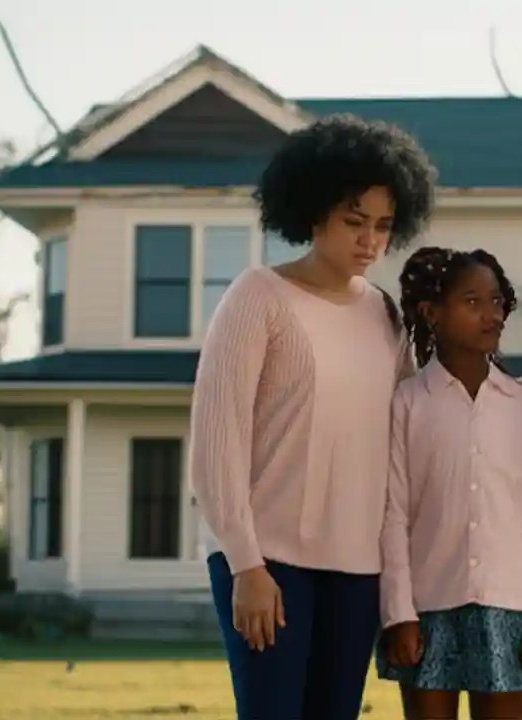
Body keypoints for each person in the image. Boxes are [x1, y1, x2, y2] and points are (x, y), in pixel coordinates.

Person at [189, 114, 436, 720]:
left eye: (382, 225)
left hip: (359, 570)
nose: (370, 241)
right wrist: (246, 563)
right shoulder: (257, 297)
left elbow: (411, 430)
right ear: (312, 212)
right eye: (354, 222)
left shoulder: (384, 314)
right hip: (268, 564)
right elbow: (216, 445)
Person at [377, 247, 522, 720]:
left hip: (509, 608)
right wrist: (398, 613)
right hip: (426, 607)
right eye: (473, 301)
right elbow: (392, 514)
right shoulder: (406, 404)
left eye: (498, 302)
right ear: (432, 312)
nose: (492, 314)